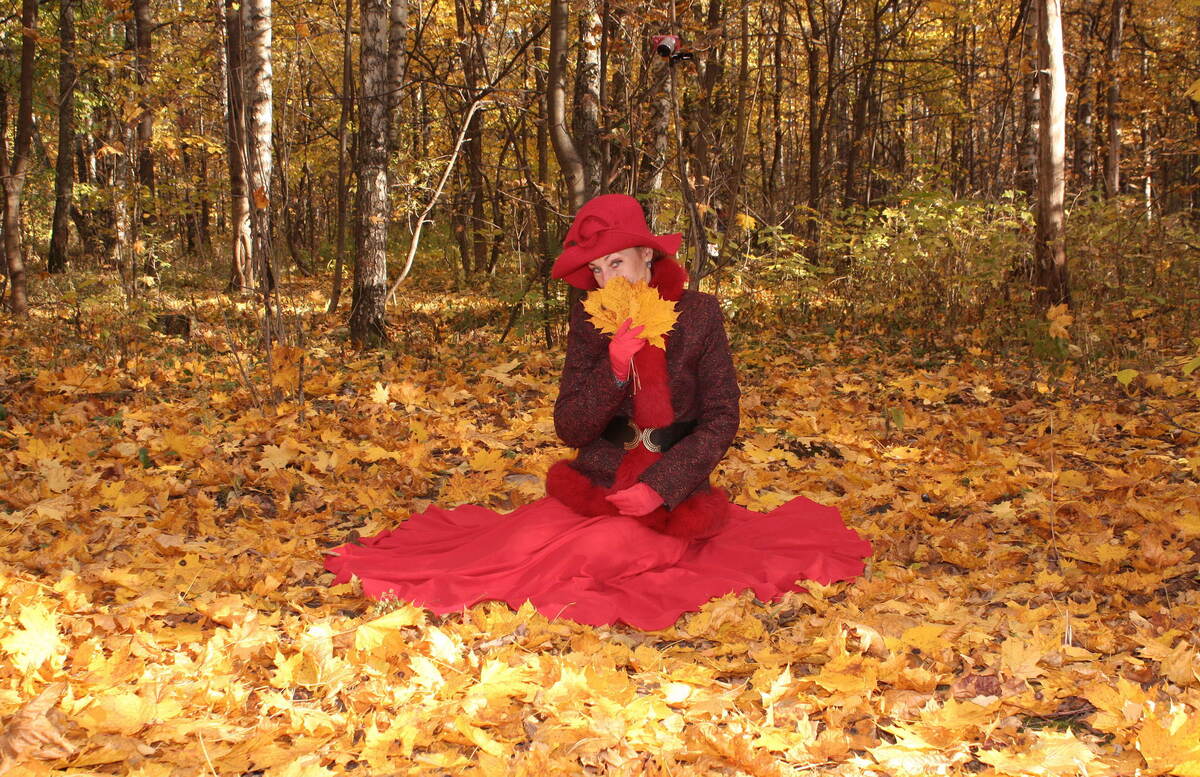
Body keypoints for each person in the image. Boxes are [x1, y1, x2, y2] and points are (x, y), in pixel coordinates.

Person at [325, 194, 871, 630]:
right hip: (597, 483)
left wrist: (661, 487)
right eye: (598, 269)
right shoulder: (591, 320)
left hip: (669, 495)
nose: (610, 280)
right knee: (512, 545)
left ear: (647, 256)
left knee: (593, 552)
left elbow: (721, 417)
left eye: (618, 262)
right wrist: (614, 367)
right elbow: (571, 427)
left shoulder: (700, 314)